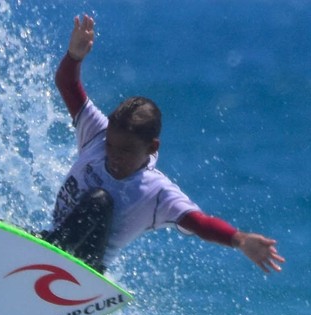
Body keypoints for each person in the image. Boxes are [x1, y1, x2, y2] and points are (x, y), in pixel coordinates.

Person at [44, 15, 284, 275]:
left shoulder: (156, 192)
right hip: (52, 242)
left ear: (151, 147)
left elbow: (199, 223)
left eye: (125, 150)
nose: (113, 154)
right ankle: (39, 250)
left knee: (99, 201)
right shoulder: (98, 134)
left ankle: (46, 252)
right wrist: (74, 55)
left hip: (84, 269)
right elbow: (67, 84)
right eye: (112, 145)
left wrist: (239, 239)